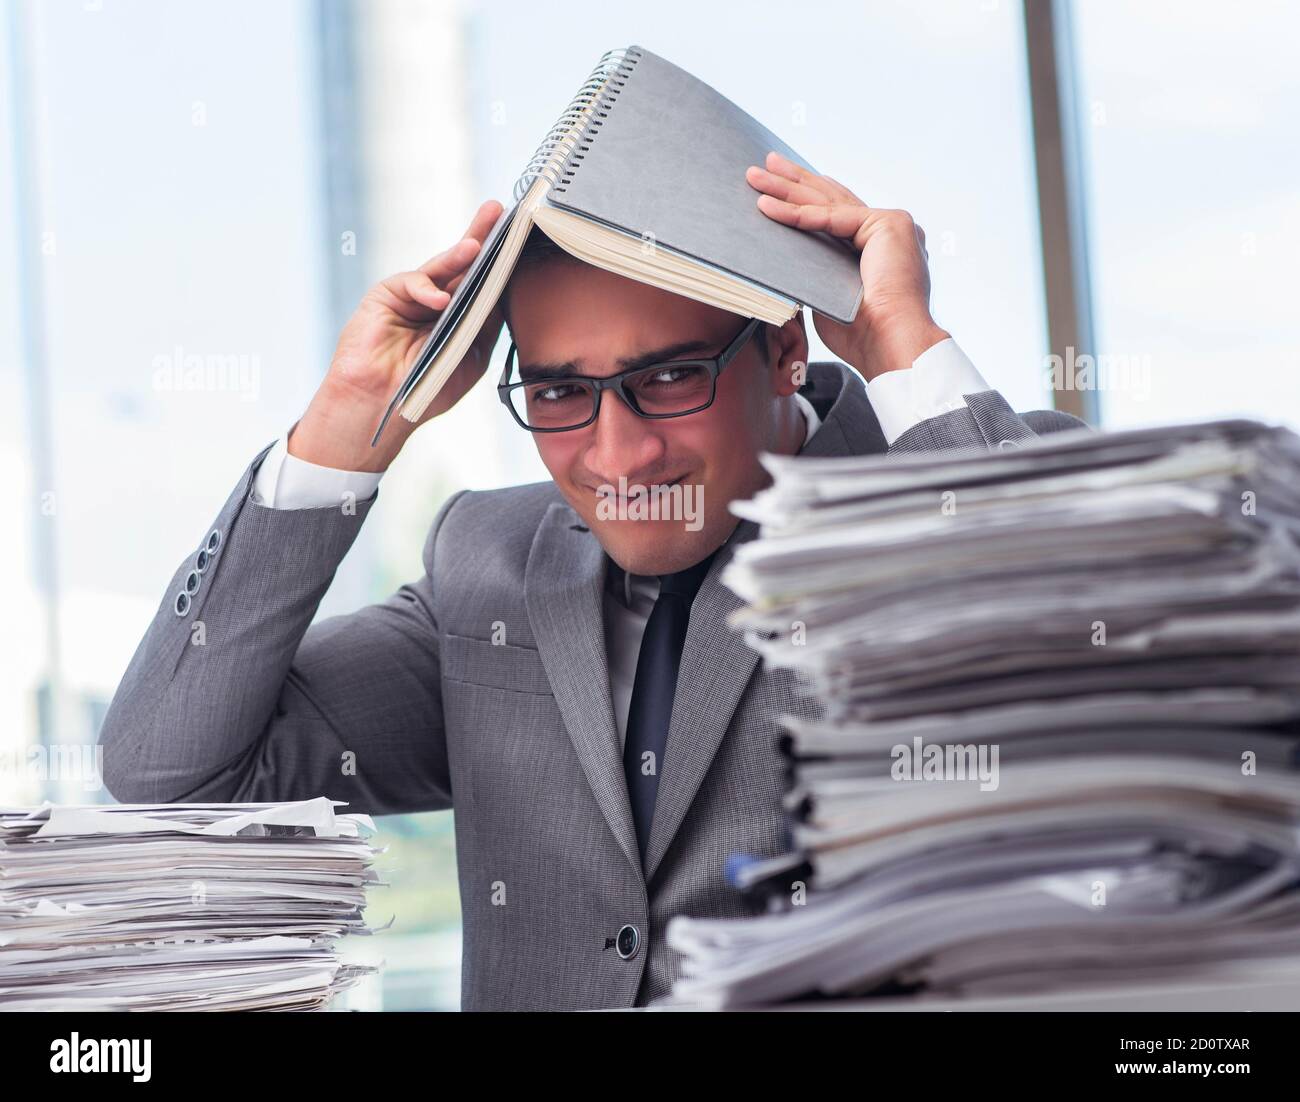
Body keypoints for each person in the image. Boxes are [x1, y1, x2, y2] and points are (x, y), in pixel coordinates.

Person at [99, 152, 1084, 1010]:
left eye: (667, 378)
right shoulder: (486, 564)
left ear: (785, 346)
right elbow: (172, 775)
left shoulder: (964, 490)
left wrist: (900, 344)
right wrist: (347, 421)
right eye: (562, 391)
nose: (618, 454)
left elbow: (1092, 708)